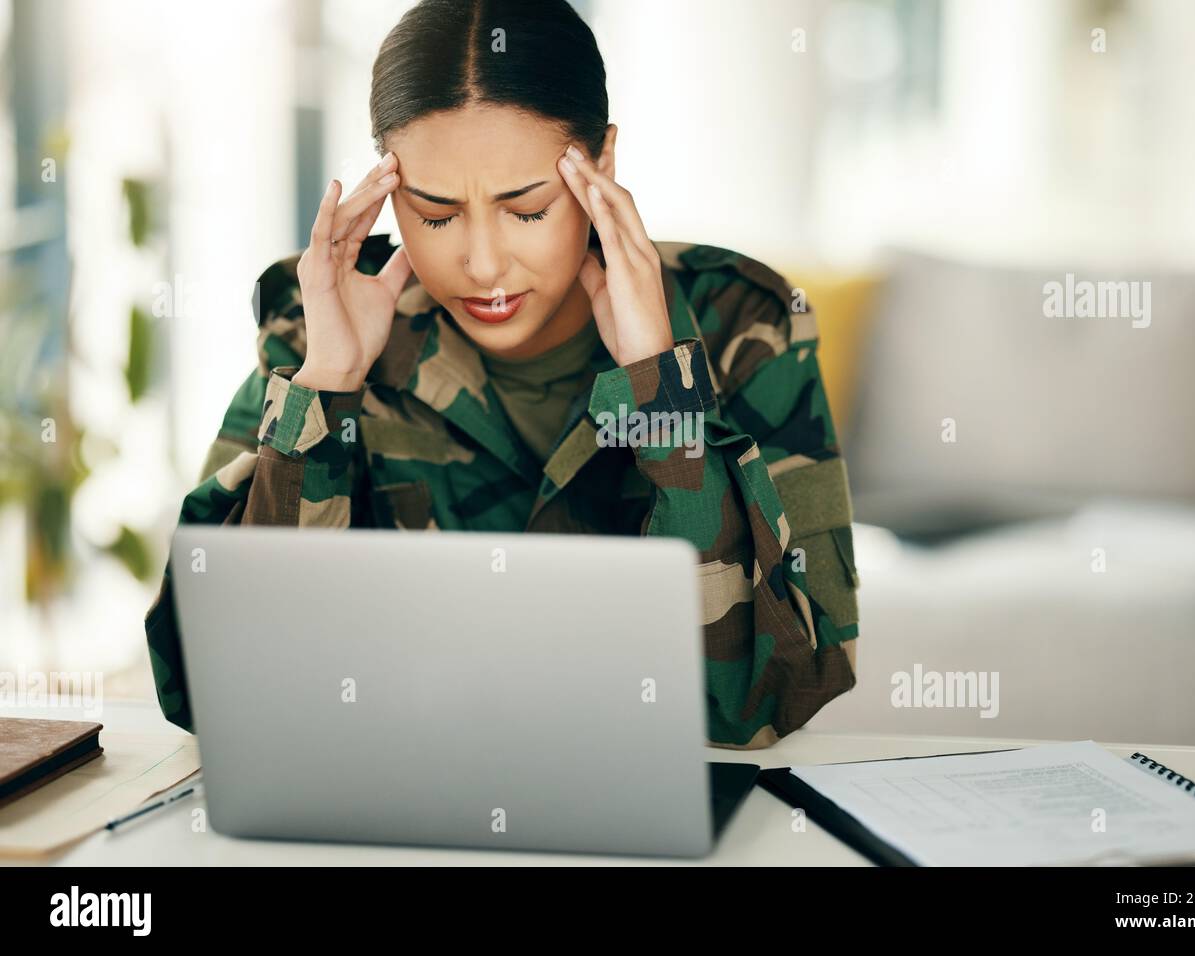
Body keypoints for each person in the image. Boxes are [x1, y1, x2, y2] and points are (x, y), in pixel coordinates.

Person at [145, 0, 858, 750]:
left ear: (601, 167)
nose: (482, 266)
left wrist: (661, 388)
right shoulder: (315, 327)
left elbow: (776, 695)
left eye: (526, 210)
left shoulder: (742, 323)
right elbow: (216, 690)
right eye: (436, 214)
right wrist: (328, 384)